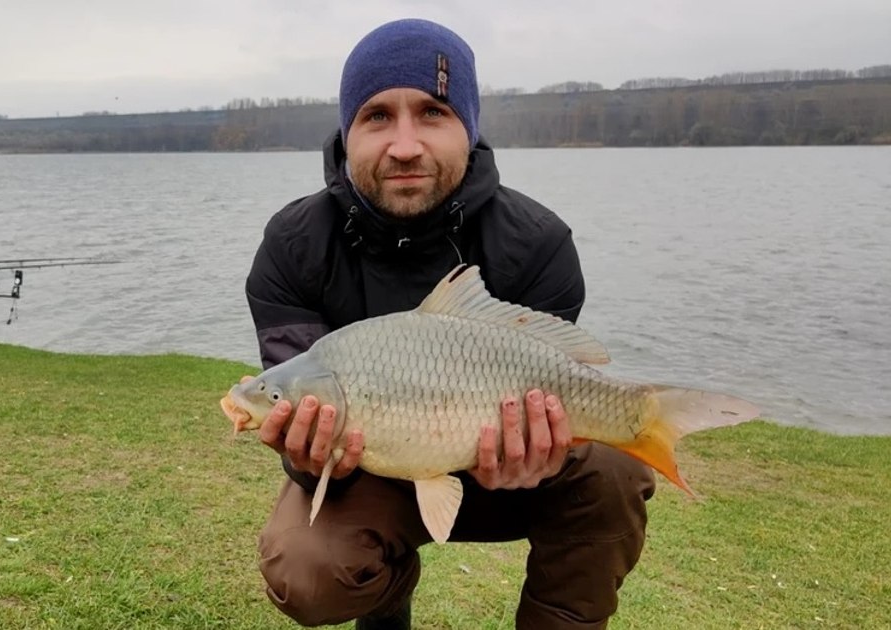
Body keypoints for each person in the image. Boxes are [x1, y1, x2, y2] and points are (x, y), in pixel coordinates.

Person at [241, 17, 656, 630]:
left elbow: (563, 371)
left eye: (432, 113)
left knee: (617, 470)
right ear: (347, 131)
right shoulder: (294, 244)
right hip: (373, 471)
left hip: (509, 466)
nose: (404, 145)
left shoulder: (539, 244)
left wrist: (534, 452)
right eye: (377, 116)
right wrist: (302, 453)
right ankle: (385, 598)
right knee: (306, 563)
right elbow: (297, 396)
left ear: (468, 127)